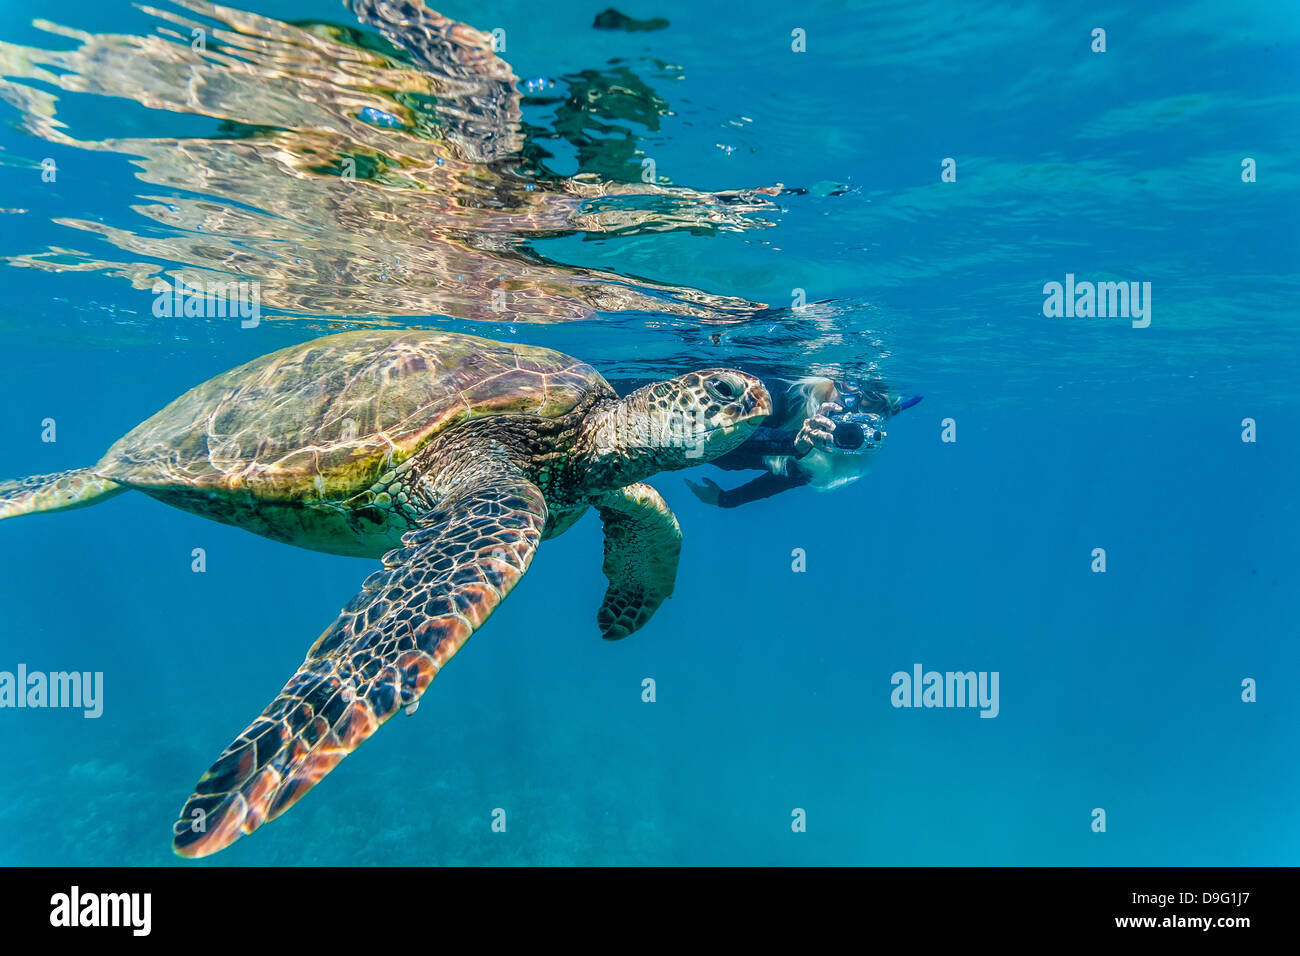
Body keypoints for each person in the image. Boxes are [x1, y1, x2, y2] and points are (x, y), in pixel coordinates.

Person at [684, 376, 921, 508]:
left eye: (872, 397)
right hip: (677, 435)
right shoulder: (780, 393)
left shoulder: (835, 448)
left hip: (689, 455)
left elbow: (781, 480)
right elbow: (705, 430)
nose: (852, 399)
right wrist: (793, 442)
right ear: (832, 381)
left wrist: (728, 499)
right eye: (850, 383)